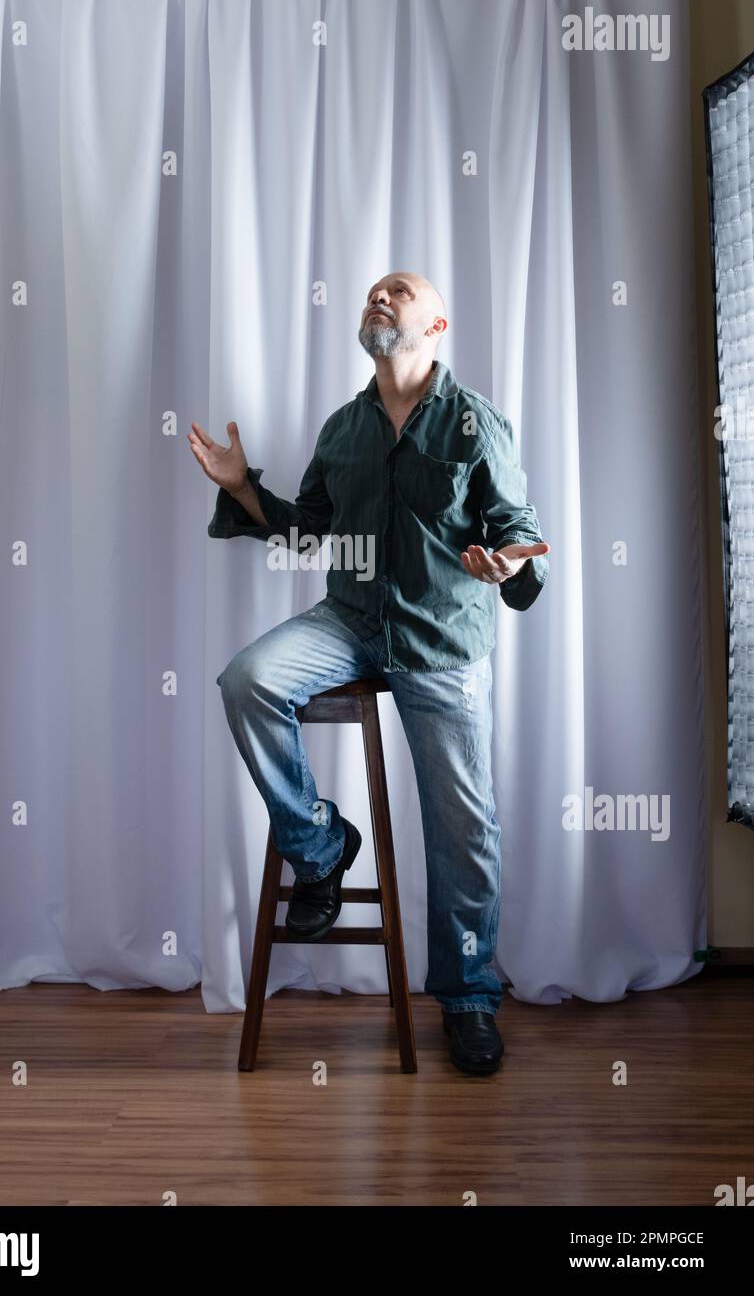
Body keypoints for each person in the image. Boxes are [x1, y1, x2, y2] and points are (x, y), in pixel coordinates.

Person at [188, 271, 550, 1075]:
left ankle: (467, 999)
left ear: (438, 323)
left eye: (401, 291)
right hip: (349, 620)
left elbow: (520, 536)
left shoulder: (475, 423)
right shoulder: (344, 428)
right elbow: (307, 530)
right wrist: (244, 488)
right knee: (247, 680)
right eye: (374, 292)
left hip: (441, 636)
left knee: (465, 829)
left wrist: (508, 568)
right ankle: (321, 848)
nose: (380, 296)